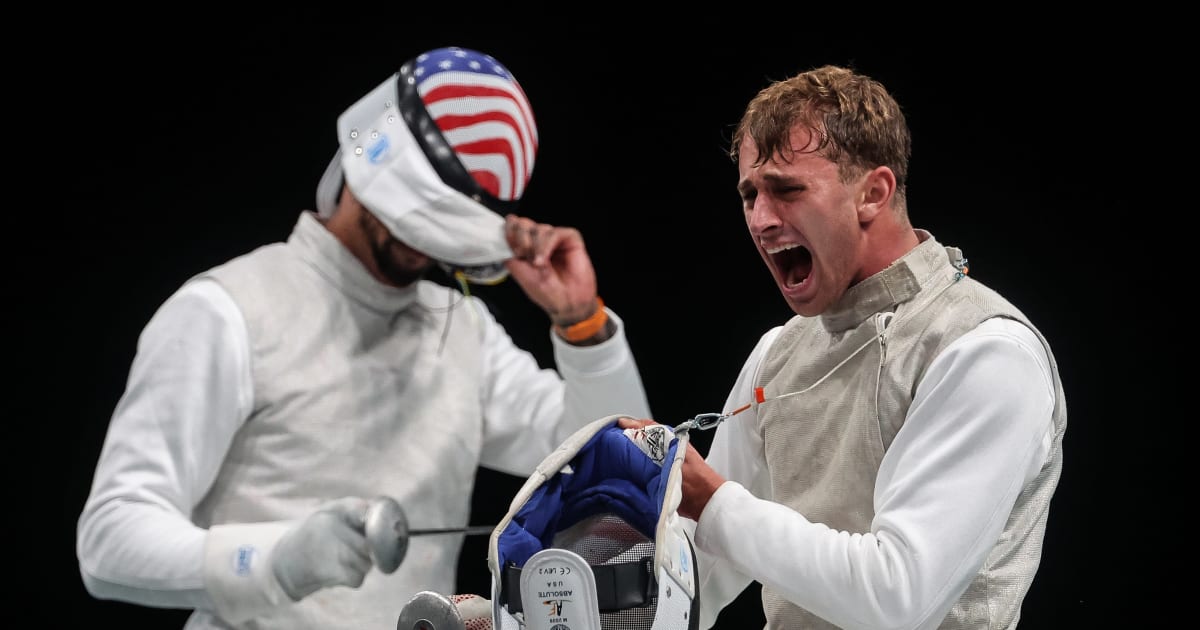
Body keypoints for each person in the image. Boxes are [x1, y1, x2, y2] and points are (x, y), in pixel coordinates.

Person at [76, 46, 652, 630]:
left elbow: (614, 466)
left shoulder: (463, 331)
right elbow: (109, 540)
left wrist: (584, 327)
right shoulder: (228, 309)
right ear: (374, 152)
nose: (423, 242)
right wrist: (275, 559)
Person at [620, 64, 1066, 629]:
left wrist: (710, 500)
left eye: (787, 189)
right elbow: (693, 575)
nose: (760, 219)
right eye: (750, 194)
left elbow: (899, 600)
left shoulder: (984, 351)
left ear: (873, 193)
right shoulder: (777, 355)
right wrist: (537, 606)